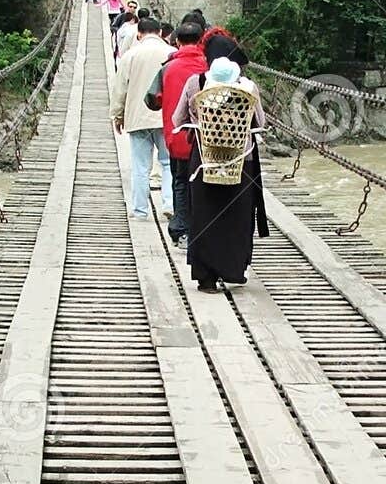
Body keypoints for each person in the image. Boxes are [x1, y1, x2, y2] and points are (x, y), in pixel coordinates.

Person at [172, 32, 268, 292]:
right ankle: (232, 269)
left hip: (204, 159)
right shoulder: (248, 87)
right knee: (235, 217)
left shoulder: (195, 83)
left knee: (204, 216)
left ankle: (206, 278)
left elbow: (177, 120)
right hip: (241, 161)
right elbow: (260, 123)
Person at [110, 15, 174, 220]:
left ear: (139, 34)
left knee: (140, 165)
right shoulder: (172, 53)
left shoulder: (130, 55)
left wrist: (117, 115)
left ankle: (139, 210)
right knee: (168, 163)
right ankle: (170, 204)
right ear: (160, 33)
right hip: (165, 117)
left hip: (137, 117)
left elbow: (120, 89)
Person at [152, 17, 207, 244]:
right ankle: (200, 229)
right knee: (202, 185)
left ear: (177, 41)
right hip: (206, 139)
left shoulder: (167, 68)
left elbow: (152, 100)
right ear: (201, 39)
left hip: (176, 136)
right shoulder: (209, 66)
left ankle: (180, 227)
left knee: (180, 181)